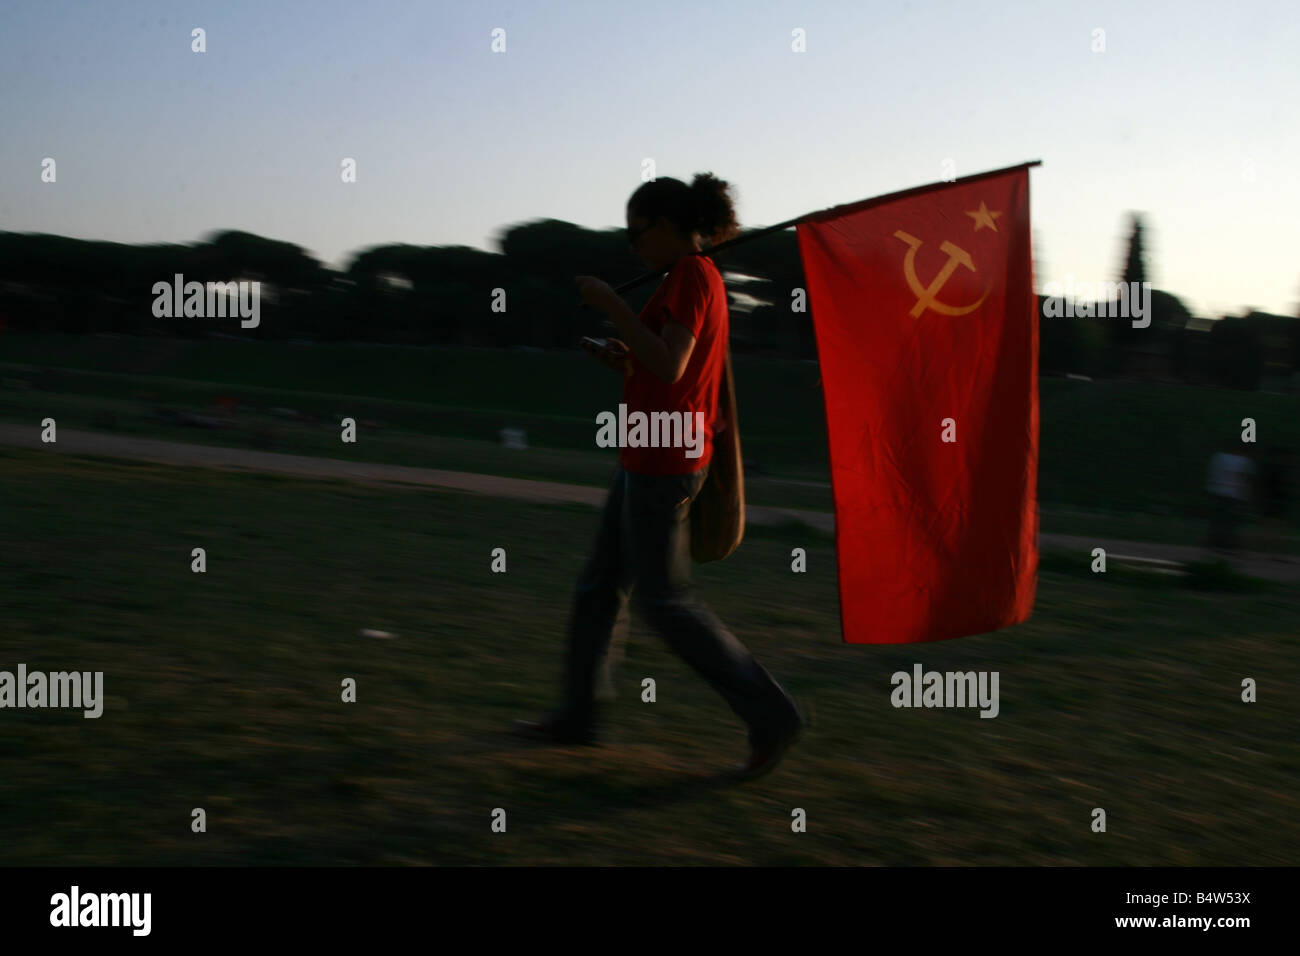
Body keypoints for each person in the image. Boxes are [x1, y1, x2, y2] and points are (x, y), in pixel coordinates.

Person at [514, 172, 804, 781]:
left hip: (665, 461)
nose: (632, 246)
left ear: (668, 225)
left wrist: (613, 306)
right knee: (600, 587)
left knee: (664, 602)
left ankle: (772, 715)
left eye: (637, 232)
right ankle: (580, 716)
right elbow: (665, 365)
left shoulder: (694, 275)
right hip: (645, 453)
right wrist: (624, 359)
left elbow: (672, 366)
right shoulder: (686, 277)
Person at [1204, 440, 1256, 554]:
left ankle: (1214, 542)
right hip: (1233, 494)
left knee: (1218, 519)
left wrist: (1210, 488)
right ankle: (1226, 544)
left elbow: (1213, 474)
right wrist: (1246, 495)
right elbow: (1245, 480)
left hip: (1219, 492)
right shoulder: (1244, 461)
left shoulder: (1219, 457)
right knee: (1230, 521)